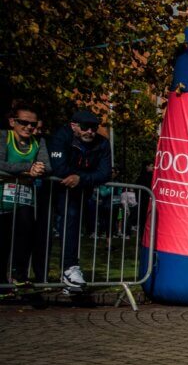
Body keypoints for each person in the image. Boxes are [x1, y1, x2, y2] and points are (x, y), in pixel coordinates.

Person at [47, 109, 112, 290]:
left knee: (73, 224)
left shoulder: (102, 143)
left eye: (94, 127)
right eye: (85, 127)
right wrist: (84, 177)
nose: (90, 132)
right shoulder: (61, 137)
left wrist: (80, 179)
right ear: (73, 126)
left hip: (79, 192)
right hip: (52, 191)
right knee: (42, 229)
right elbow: (59, 168)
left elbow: (105, 173)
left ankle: (69, 270)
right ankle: (40, 273)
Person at [1, 101, 51, 286]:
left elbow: (47, 166)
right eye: (24, 122)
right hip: (1, 198)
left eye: (33, 124)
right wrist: (27, 168)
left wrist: (38, 169)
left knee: (25, 236)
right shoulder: (3, 137)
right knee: (2, 241)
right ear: (12, 122)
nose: (29, 127)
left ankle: (19, 276)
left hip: (24, 199)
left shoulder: (39, 142)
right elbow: (1, 164)